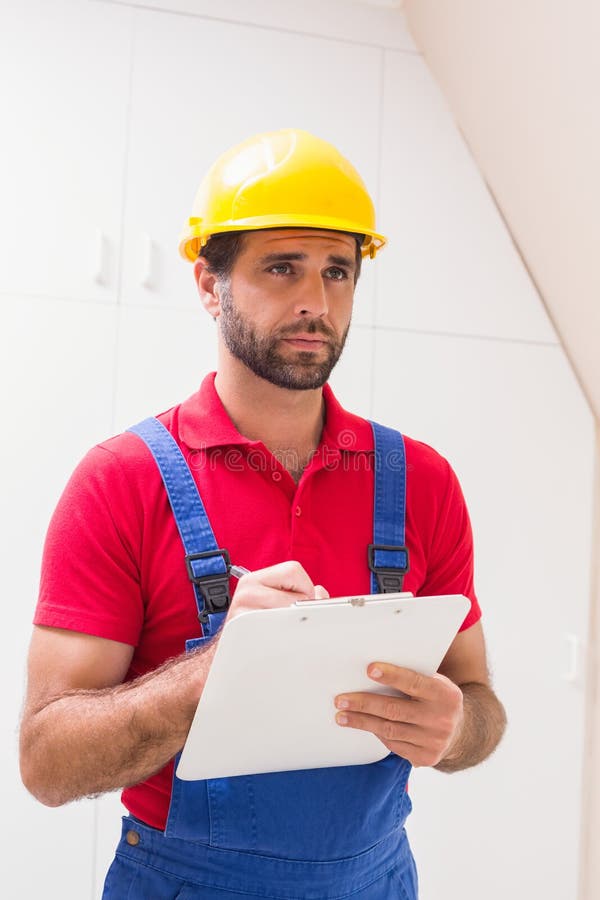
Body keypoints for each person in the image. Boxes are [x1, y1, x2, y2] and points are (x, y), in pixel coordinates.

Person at [19, 129, 506, 899]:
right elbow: (47, 763)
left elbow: (479, 703)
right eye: (282, 268)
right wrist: (215, 669)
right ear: (209, 285)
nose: (316, 301)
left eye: (337, 271)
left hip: (377, 880)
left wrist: (458, 732)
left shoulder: (423, 482)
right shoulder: (121, 481)